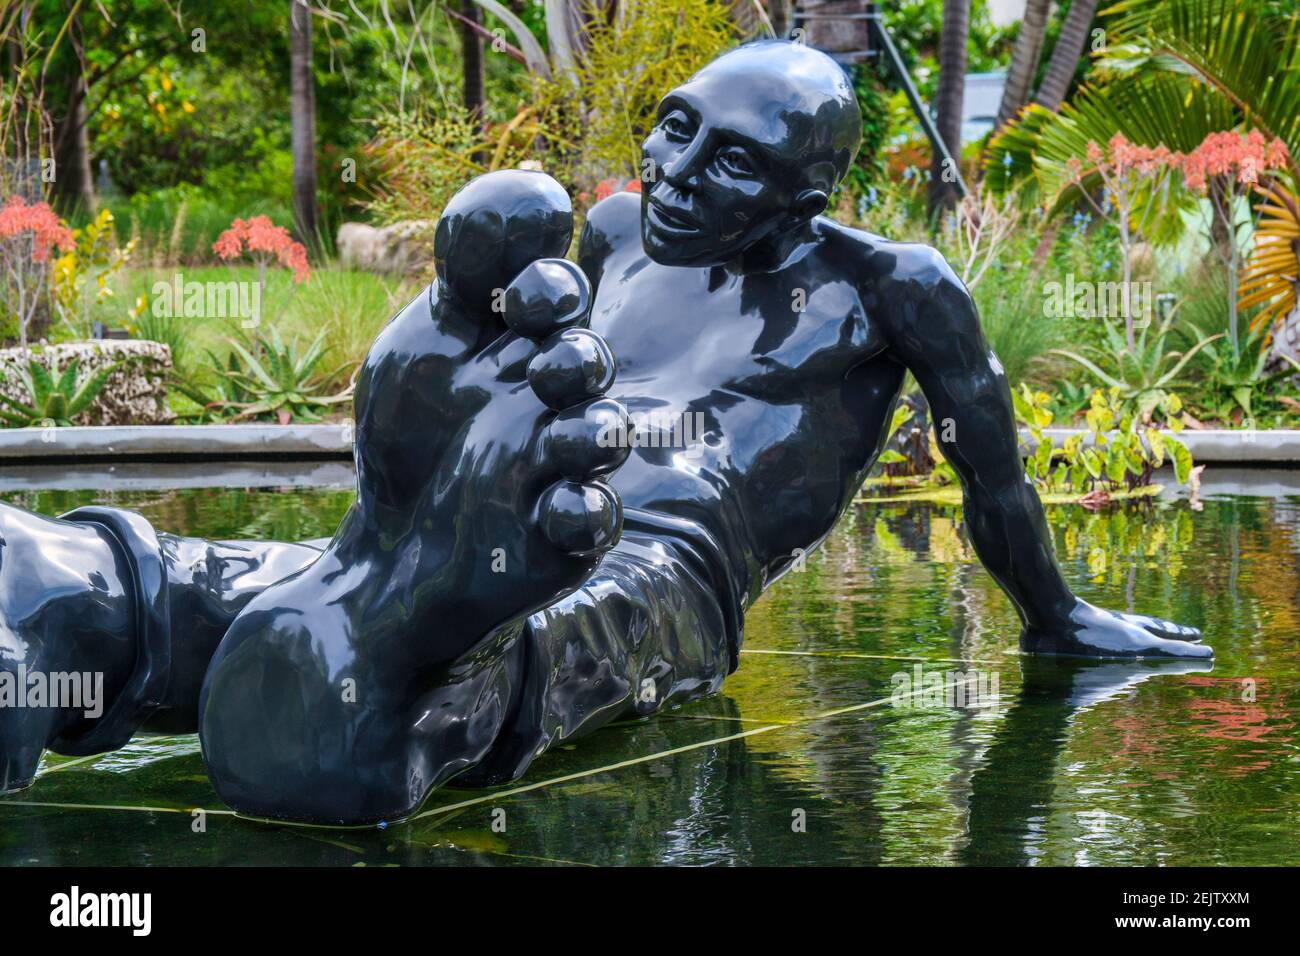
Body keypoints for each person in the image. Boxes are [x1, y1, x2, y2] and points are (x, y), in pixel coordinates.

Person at [0, 41, 1208, 824]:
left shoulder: (888, 286)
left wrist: (1059, 618)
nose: (676, 172)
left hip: (676, 555)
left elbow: (986, 464)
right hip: (536, 503)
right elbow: (551, 381)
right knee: (426, 569)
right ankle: (87, 592)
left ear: (808, 196)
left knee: (555, 613)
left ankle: (390, 650)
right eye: (675, 127)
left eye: (731, 161)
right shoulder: (619, 227)